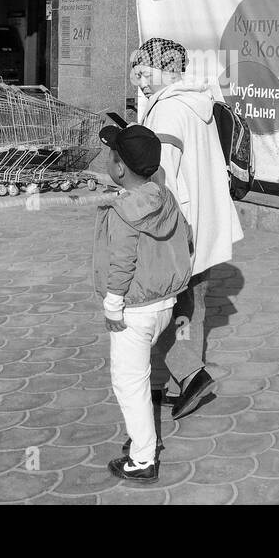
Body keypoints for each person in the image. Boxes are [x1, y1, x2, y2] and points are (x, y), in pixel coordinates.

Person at [132, 37, 243, 421]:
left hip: (178, 229)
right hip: (205, 225)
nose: (140, 82)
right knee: (188, 308)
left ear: (165, 71)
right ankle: (168, 381)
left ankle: (190, 375)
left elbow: (162, 179)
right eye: (137, 74)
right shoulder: (199, 102)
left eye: (145, 73)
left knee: (153, 308)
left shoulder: (167, 112)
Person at [93, 123, 194, 484]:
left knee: (129, 382)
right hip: (164, 304)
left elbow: (122, 263)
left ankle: (142, 459)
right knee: (140, 376)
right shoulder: (165, 198)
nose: (109, 161)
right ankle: (143, 438)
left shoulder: (123, 211)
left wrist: (112, 306)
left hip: (133, 311)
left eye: (111, 157)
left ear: (120, 168)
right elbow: (188, 237)